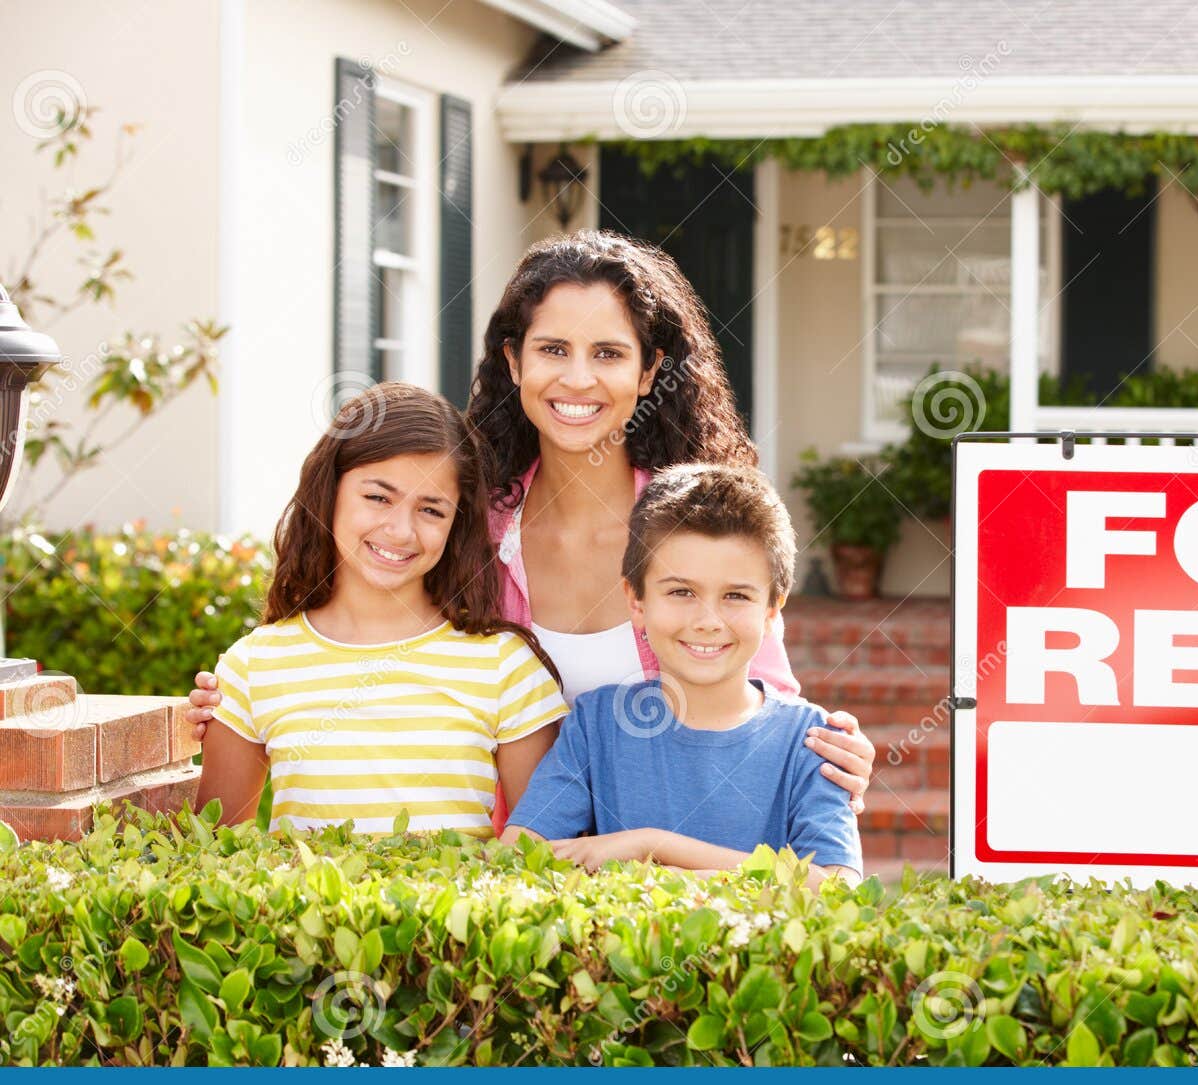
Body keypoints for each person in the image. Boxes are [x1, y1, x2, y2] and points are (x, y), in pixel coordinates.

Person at [185, 231, 877, 830]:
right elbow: (370, 640)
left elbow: (764, 710)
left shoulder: (697, 539)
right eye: (553, 349)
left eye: (608, 353)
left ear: (649, 371)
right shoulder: (463, 528)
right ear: (515, 362)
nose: (578, 379)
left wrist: (835, 758)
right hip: (514, 889)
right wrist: (245, 697)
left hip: (671, 883)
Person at [196, 384, 566, 836]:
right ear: (330, 491)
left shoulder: (505, 666)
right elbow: (214, 852)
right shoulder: (253, 667)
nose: (400, 530)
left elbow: (545, 853)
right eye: (378, 497)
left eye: (432, 510)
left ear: (457, 524)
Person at [500, 464, 862, 887]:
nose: (707, 621)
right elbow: (519, 855)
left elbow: (838, 886)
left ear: (771, 610)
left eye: (735, 596)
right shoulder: (597, 723)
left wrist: (655, 845)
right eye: (681, 592)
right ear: (636, 601)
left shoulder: (813, 741)